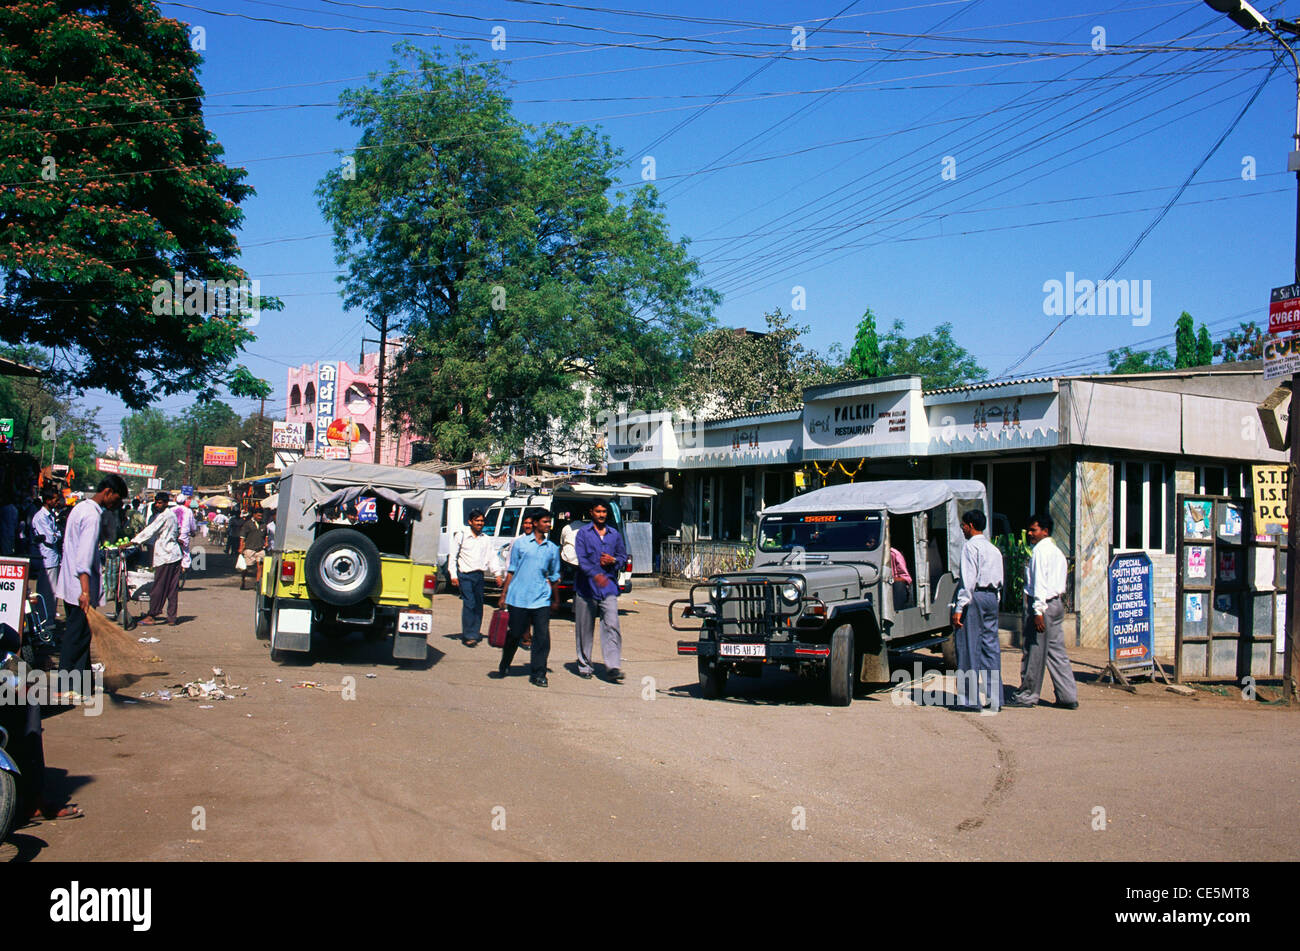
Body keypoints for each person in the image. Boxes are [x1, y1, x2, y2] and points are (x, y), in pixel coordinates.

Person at [55, 474, 127, 702]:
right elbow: (84, 558)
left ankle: (83, 685)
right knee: (76, 637)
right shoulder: (92, 517)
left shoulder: (80, 508)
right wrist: (85, 592)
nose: (117, 503)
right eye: (116, 498)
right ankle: (64, 686)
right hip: (80, 588)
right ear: (107, 492)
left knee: (82, 636)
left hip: (70, 584)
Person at [1006, 513, 1078, 710]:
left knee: (1034, 652)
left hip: (1042, 606)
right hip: (1056, 605)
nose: (1030, 534)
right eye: (1029, 530)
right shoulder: (1058, 553)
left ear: (1045, 531)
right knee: (1056, 652)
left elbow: (1039, 583)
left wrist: (1037, 611)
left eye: (1034, 530)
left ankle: (1027, 695)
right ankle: (1068, 695)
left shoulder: (1040, 551)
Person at [494, 509, 560, 687]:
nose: (548, 525)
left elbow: (554, 576)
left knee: (542, 637)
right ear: (536, 523)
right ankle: (506, 661)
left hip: (541, 599)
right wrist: (504, 594)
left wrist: (556, 599)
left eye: (549, 522)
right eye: (545, 522)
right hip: (518, 597)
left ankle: (539, 673)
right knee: (515, 633)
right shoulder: (521, 544)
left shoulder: (552, 549)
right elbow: (511, 570)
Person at [950, 510, 1003, 712]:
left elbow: (968, 580)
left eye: (963, 525)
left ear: (971, 525)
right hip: (991, 597)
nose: (962, 529)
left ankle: (969, 699)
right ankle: (995, 698)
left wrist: (959, 607)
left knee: (968, 648)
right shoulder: (993, 549)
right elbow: (1000, 579)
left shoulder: (970, 548)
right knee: (990, 648)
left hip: (975, 597)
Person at [573, 501, 628, 683]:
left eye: (604, 511)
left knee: (612, 625)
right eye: (598, 511)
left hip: (608, 587)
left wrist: (614, 560)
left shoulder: (615, 535)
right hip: (586, 587)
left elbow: (622, 557)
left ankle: (613, 666)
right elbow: (582, 560)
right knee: (584, 628)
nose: (602, 514)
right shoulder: (583, 534)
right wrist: (595, 574)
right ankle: (585, 665)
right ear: (591, 513)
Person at [448, 508, 502, 647]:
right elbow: (453, 556)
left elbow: (491, 557)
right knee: (469, 603)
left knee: (478, 605)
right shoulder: (461, 536)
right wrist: (453, 575)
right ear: (470, 522)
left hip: (479, 575)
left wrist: (497, 574)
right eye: (477, 520)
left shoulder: (485, 539)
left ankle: (475, 632)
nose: (480, 523)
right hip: (465, 575)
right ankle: (469, 635)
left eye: (482, 521)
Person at [131, 492, 183, 626]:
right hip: (175, 554)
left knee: (158, 587)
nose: (157, 505)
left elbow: (151, 530)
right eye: (156, 502)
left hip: (166, 555)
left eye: (160, 502)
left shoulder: (165, 515)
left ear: (166, 503)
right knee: (172, 588)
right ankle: (172, 618)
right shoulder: (172, 515)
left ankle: (152, 615)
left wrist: (133, 542)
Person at [29, 486, 63, 631]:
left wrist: (56, 535)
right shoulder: (40, 517)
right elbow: (51, 538)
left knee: (52, 593)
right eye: (55, 499)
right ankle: (44, 623)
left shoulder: (49, 515)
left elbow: (56, 534)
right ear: (48, 500)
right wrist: (56, 535)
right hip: (46, 559)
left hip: (53, 559)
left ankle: (49, 621)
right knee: (46, 593)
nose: (57, 501)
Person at [238, 509, 268, 590]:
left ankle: (257, 583)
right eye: (258, 515)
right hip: (249, 549)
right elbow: (242, 537)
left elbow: (266, 536)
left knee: (260, 567)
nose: (260, 517)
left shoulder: (263, 525)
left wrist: (266, 543)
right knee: (247, 568)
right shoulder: (247, 524)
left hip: (260, 549)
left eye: (261, 516)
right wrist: (241, 547)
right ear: (254, 515)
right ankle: (243, 580)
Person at [889, 546, 912, 610]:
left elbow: (905, 577)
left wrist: (892, 580)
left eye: (871, 542)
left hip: (894, 591)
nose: (867, 544)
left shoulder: (894, 554)